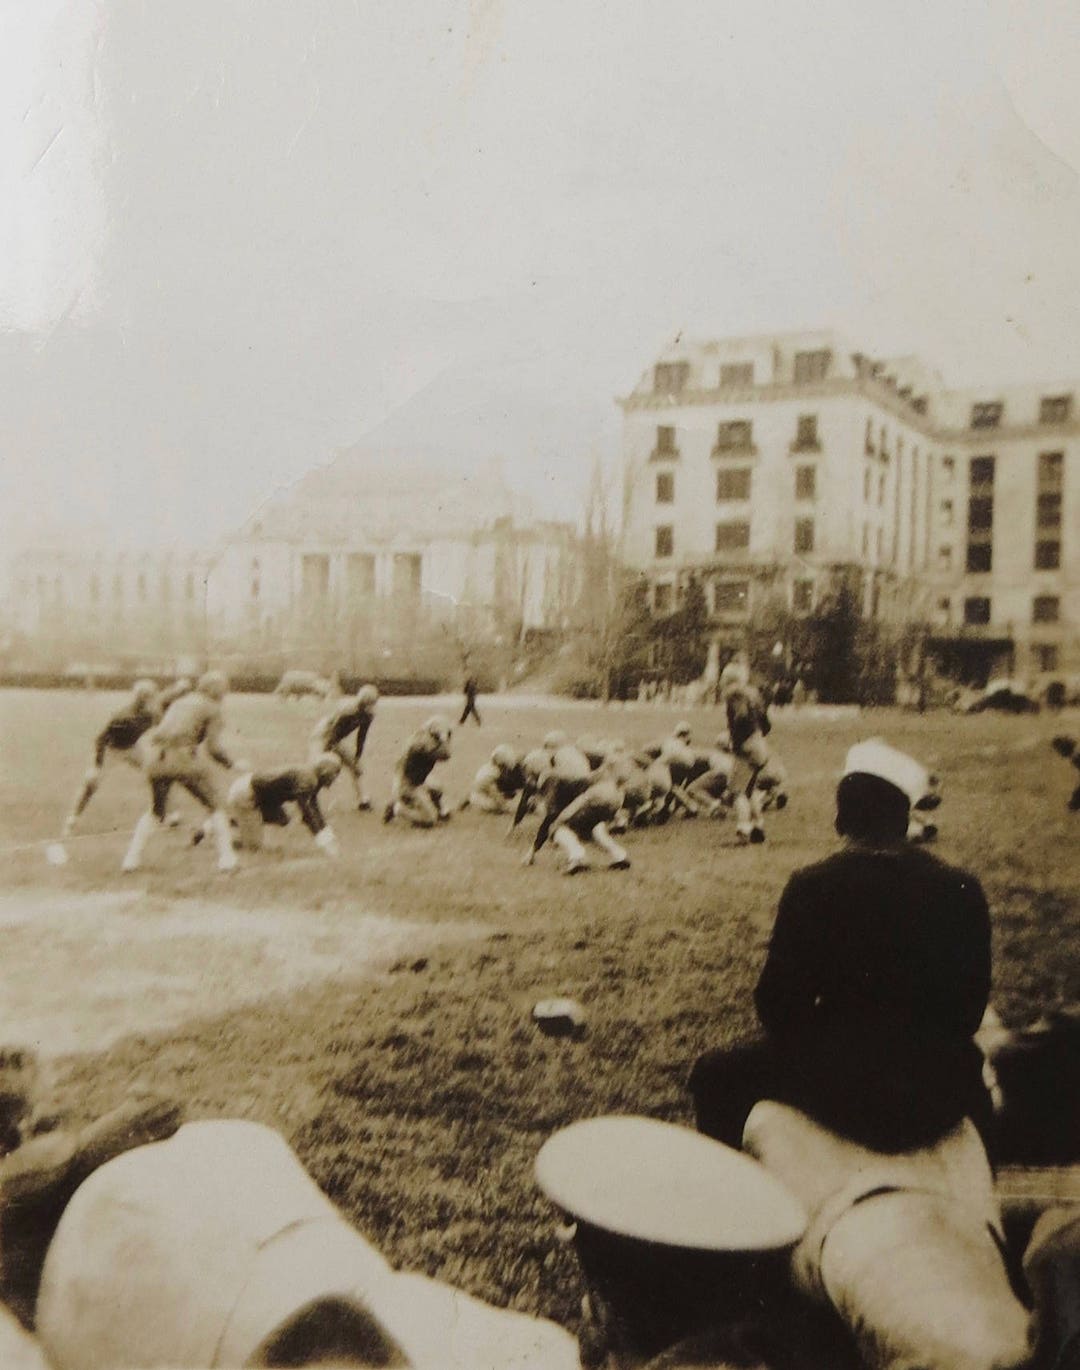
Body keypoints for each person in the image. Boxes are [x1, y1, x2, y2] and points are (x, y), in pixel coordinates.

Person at [121, 670, 239, 874]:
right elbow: (213, 748)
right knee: (216, 805)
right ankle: (227, 859)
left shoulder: (182, 701)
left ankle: (130, 860)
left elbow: (161, 712)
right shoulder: (212, 708)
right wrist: (233, 764)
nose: (224, 695)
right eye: (223, 690)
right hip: (182, 758)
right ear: (216, 691)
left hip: (155, 758)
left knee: (156, 811)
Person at [60, 679, 164, 840]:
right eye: (149, 697)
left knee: (158, 773)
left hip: (133, 748)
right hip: (112, 750)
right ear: (141, 698)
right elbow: (100, 740)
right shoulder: (123, 716)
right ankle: (72, 819)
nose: (153, 700)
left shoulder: (152, 714)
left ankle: (161, 812)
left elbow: (162, 729)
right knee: (91, 783)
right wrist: (97, 765)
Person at [199, 753, 343, 857]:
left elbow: (314, 809)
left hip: (259, 795)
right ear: (325, 770)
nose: (335, 778)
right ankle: (216, 826)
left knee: (283, 819)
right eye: (335, 773)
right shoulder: (307, 779)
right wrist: (324, 841)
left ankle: (230, 822)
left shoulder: (311, 778)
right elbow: (307, 813)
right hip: (246, 795)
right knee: (253, 847)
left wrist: (326, 832)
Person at [530, 775, 630, 874]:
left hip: (597, 795)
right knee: (592, 830)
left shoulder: (551, 787)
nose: (538, 814)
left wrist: (556, 824)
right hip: (614, 795)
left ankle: (578, 857)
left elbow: (555, 817)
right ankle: (620, 856)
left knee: (557, 829)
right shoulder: (563, 783)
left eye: (535, 811)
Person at [720, 654, 773, 844]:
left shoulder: (735, 694)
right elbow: (767, 724)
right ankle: (758, 825)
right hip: (760, 744)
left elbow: (741, 717)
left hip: (747, 745)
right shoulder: (754, 695)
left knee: (737, 791)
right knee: (750, 790)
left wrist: (738, 743)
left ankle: (744, 830)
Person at [308, 684, 379, 811]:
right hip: (322, 735)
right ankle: (308, 798)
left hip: (335, 738)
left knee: (356, 768)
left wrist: (358, 756)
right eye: (370, 703)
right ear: (363, 703)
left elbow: (361, 736)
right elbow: (331, 732)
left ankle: (363, 800)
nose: (372, 707)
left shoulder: (368, 715)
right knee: (320, 767)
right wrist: (327, 753)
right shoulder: (348, 712)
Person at [383, 716, 453, 827]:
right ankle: (398, 809)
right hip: (408, 784)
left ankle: (441, 812)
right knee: (429, 820)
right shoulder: (425, 744)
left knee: (437, 788)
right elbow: (446, 755)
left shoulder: (423, 738)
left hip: (416, 779)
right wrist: (444, 739)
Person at [459, 745, 526, 814]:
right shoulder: (491, 774)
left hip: (487, 789)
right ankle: (472, 799)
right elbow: (496, 795)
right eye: (505, 766)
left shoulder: (492, 768)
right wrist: (509, 809)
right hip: (482, 793)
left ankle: (474, 798)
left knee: (508, 791)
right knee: (495, 807)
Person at [1052, 735, 1080, 811]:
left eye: (1059, 750)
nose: (1059, 753)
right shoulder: (1075, 756)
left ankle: (1073, 806)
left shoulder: (1076, 757)